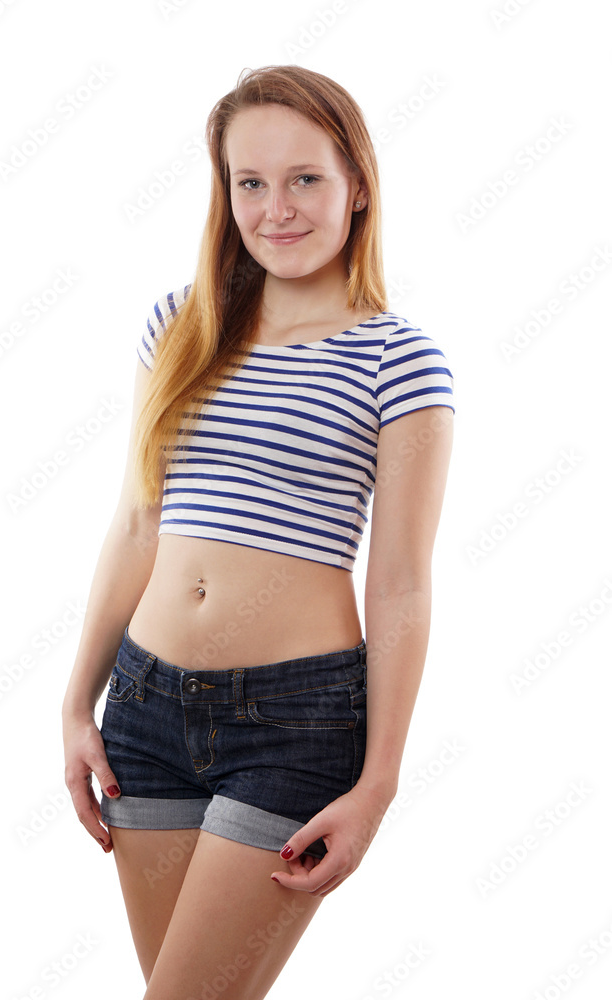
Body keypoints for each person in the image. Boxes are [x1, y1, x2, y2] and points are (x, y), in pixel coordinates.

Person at [61, 63, 455, 999]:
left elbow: (399, 582)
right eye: (249, 182)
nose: (275, 208)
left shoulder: (397, 359)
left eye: (305, 179)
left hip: (294, 721)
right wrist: (78, 704)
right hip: (146, 709)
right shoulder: (181, 326)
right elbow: (135, 520)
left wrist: (379, 784)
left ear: (356, 186)